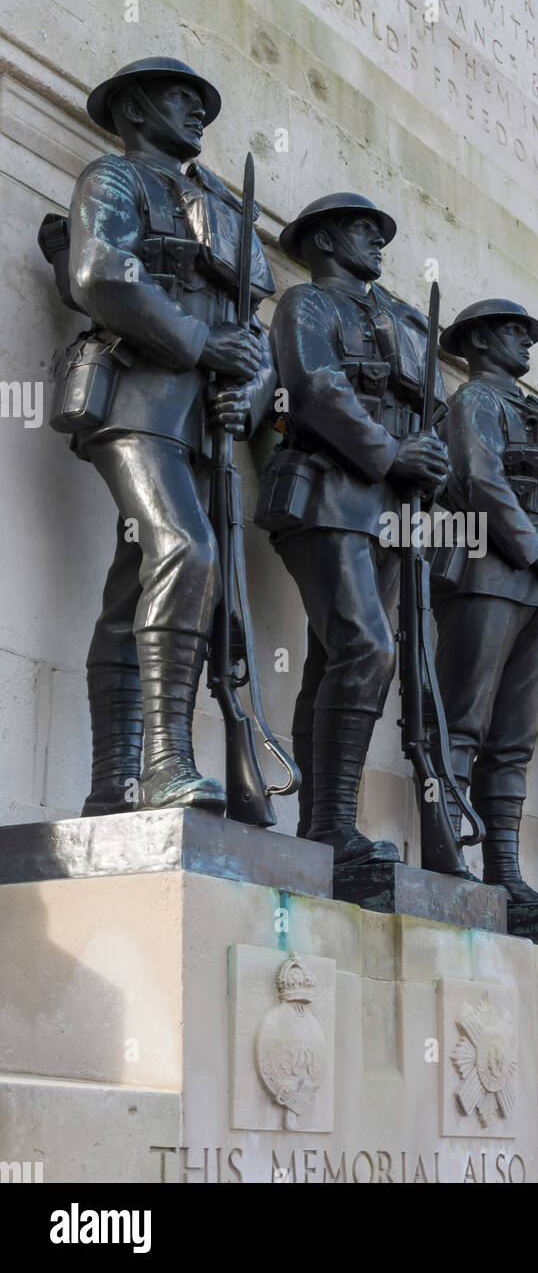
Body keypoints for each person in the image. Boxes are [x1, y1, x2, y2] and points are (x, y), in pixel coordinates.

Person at [64, 57, 275, 816]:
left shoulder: (220, 208)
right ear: (134, 112)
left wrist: (245, 396)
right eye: (179, 99)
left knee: (137, 586)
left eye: (201, 102)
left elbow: (255, 334)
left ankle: (111, 787)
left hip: (204, 422)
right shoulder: (114, 179)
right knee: (187, 550)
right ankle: (163, 764)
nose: (197, 113)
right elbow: (102, 273)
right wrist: (198, 343)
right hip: (136, 401)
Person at [262, 193, 449, 866]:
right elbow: (315, 388)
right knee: (368, 649)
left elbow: (437, 414)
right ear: (322, 243)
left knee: (336, 657)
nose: (376, 242)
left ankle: (325, 824)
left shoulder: (398, 323)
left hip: (390, 511)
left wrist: (428, 458)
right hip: (327, 496)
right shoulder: (306, 305)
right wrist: (391, 451)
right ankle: (332, 820)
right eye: (360, 231)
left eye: (379, 231)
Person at [432, 300, 538, 903]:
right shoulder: (477, 401)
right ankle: (445, 846)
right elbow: (481, 481)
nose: (526, 343)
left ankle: (502, 863)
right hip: (490, 570)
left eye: (528, 334)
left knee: (515, 736)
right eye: (511, 332)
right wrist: (535, 551)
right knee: (464, 718)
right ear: (477, 343)